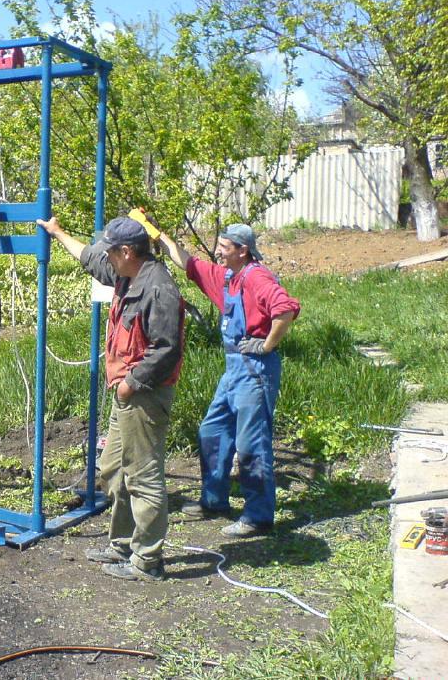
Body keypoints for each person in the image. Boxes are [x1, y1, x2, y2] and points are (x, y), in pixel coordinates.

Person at [37, 215, 185, 581]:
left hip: (144, 395)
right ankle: (122, 543)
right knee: (113, 469)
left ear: (126, 251)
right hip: (127, 393)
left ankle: (147, 561)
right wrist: (57, 233)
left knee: (143, 475)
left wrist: (130, 382)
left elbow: (166, 349)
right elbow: (89, 257)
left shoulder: (158, 289)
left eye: (111, 252)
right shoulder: (126, 273)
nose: (107, 258)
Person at [157, 224, 299, 537]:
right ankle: (214, 500)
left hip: (255, 368)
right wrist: (159, 236)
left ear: (242, 250)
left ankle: (258, 516)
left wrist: (267, 344)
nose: (218, 251)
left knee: (251, 443)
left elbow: (285, 310)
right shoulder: (228, 277)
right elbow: (190, 263)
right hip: (233, 368)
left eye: (224, 246)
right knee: (213, 430)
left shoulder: (257, 277)